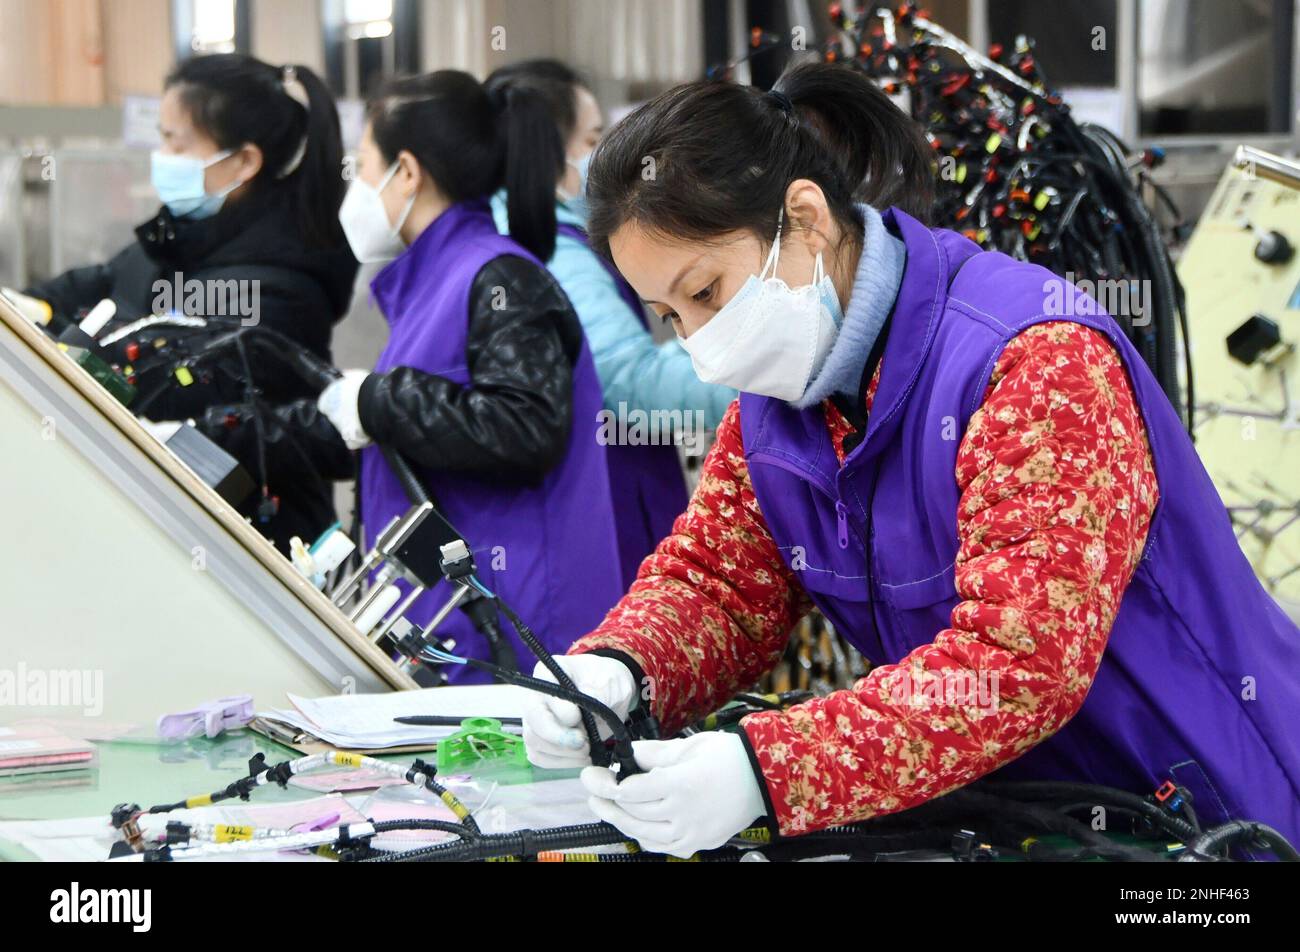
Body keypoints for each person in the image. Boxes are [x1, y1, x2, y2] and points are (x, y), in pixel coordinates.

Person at [519, 62, 1300, 858]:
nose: (698, 344)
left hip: (1215, 818)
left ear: (807, 218)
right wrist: (621, 669)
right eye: (667, 316)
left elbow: (1016, 663)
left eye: (707, 293)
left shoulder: (1032, 363)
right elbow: (720, 587)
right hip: (1027, 820)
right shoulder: (780, 405)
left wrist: (768, 769)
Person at [302, 71, 625, 678]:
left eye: (364, 165)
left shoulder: (500, 278)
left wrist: (380, 400)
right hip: (459, 627)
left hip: (521, 632)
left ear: (408, 171)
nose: (359, 185)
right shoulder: (439, 279)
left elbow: (526, 425)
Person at [24, 54, 356, 552]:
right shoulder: (178, 240)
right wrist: (29, 310)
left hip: (242, 550)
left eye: (174, 142)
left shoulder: (279, 288)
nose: (161, 156)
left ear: (244, 160)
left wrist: (76, 348)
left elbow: (163, 382)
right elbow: (82, 290)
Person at [484, 59, 734, 588]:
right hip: (606, 500)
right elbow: (626, 387)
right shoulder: (551, 254)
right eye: (594, 137)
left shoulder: (528, 237)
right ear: (551, 151)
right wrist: (751, 369)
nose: (602, 155)